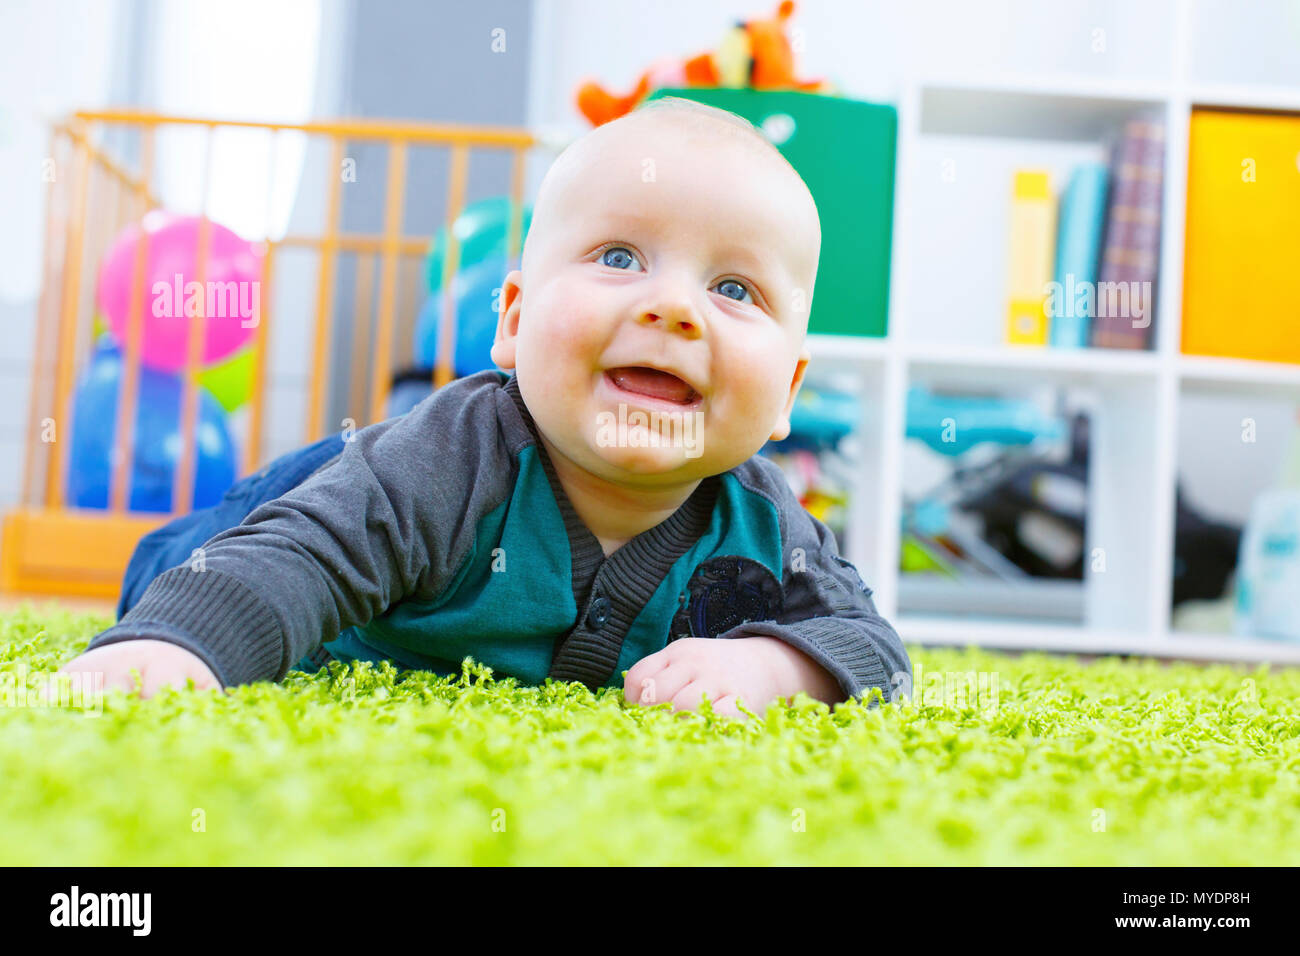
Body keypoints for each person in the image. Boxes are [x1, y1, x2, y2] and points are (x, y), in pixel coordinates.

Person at [59, 96, 911, 719]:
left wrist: (774, 667)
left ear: (787, 393)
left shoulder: (762, 523)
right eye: (619, 257)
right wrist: (174, 645)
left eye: (734, 288)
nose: (673, 308)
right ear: (513, 322)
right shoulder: (451, 461)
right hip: (297, 514)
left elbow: (876, 649)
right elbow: (303, 558)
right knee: (181, 577)